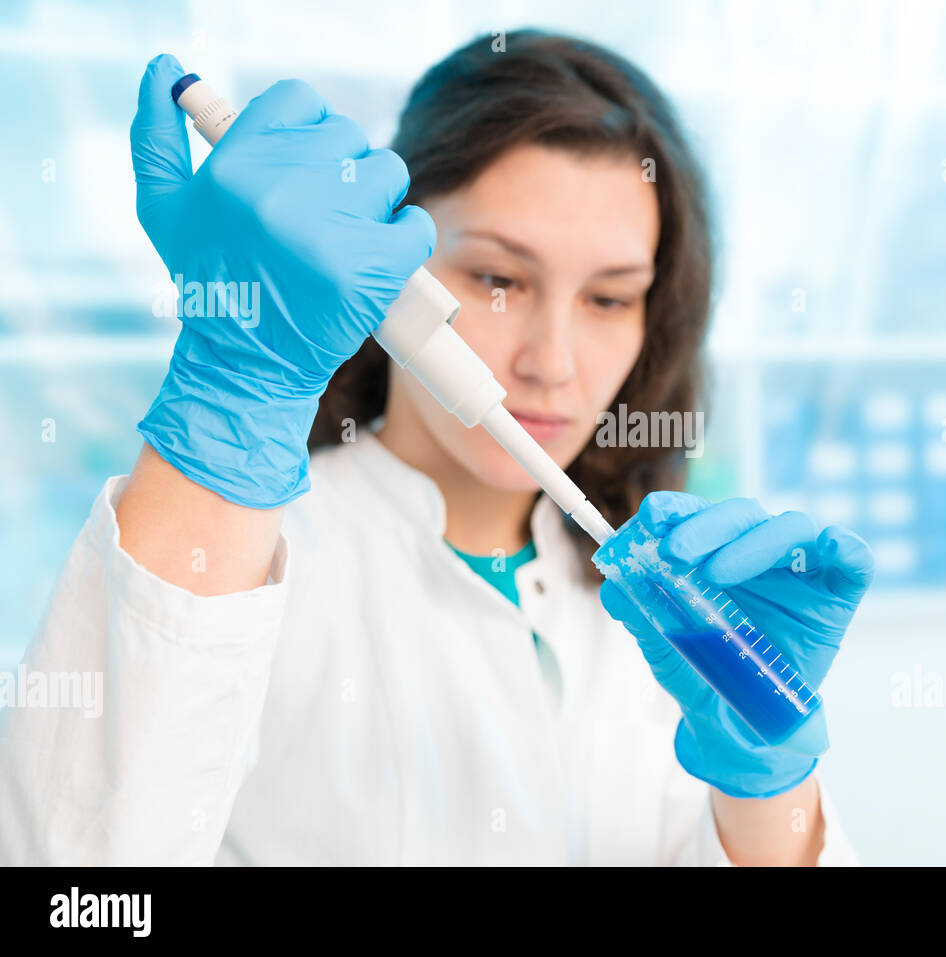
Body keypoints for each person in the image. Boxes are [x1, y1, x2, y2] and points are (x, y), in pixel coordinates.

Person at [0, 31, 873, 865]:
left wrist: (768, 785)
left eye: (609, 299)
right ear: (391, 271)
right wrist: (232, 386)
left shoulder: (671, 606)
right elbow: (78, 885)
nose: (552, 363)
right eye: (497, 278)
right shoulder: (241, 549)